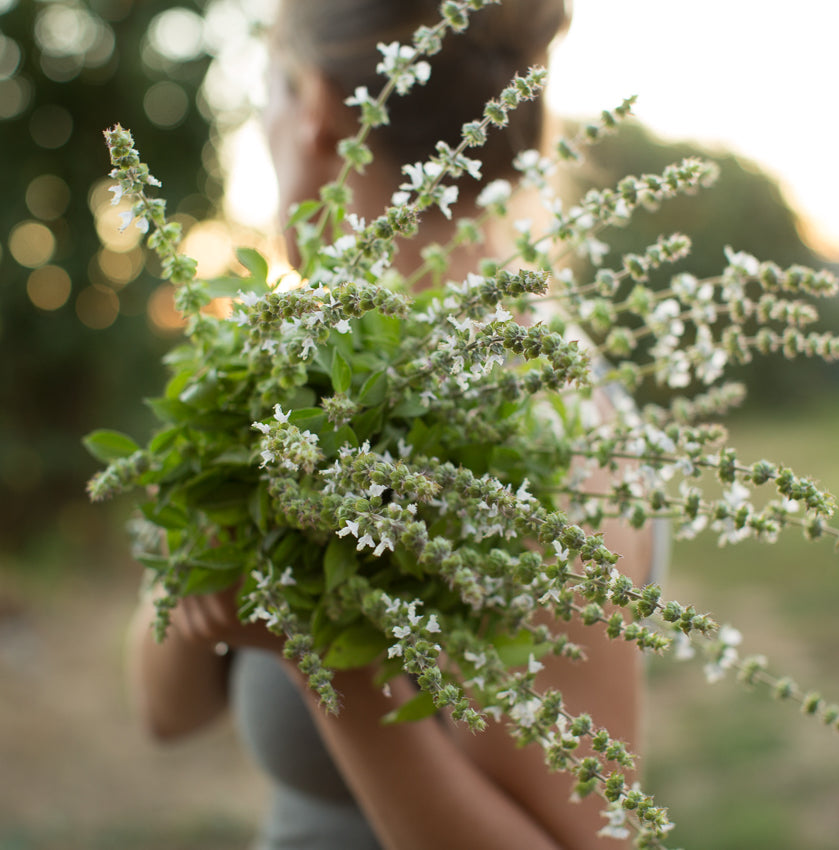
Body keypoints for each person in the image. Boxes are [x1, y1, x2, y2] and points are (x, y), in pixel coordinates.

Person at [128, 2, 657, 848]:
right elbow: (166, 712)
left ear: (316, 112)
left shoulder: (531, 425)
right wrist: (203, 552)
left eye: (264, 100)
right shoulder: (300, 372)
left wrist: (320, 649)